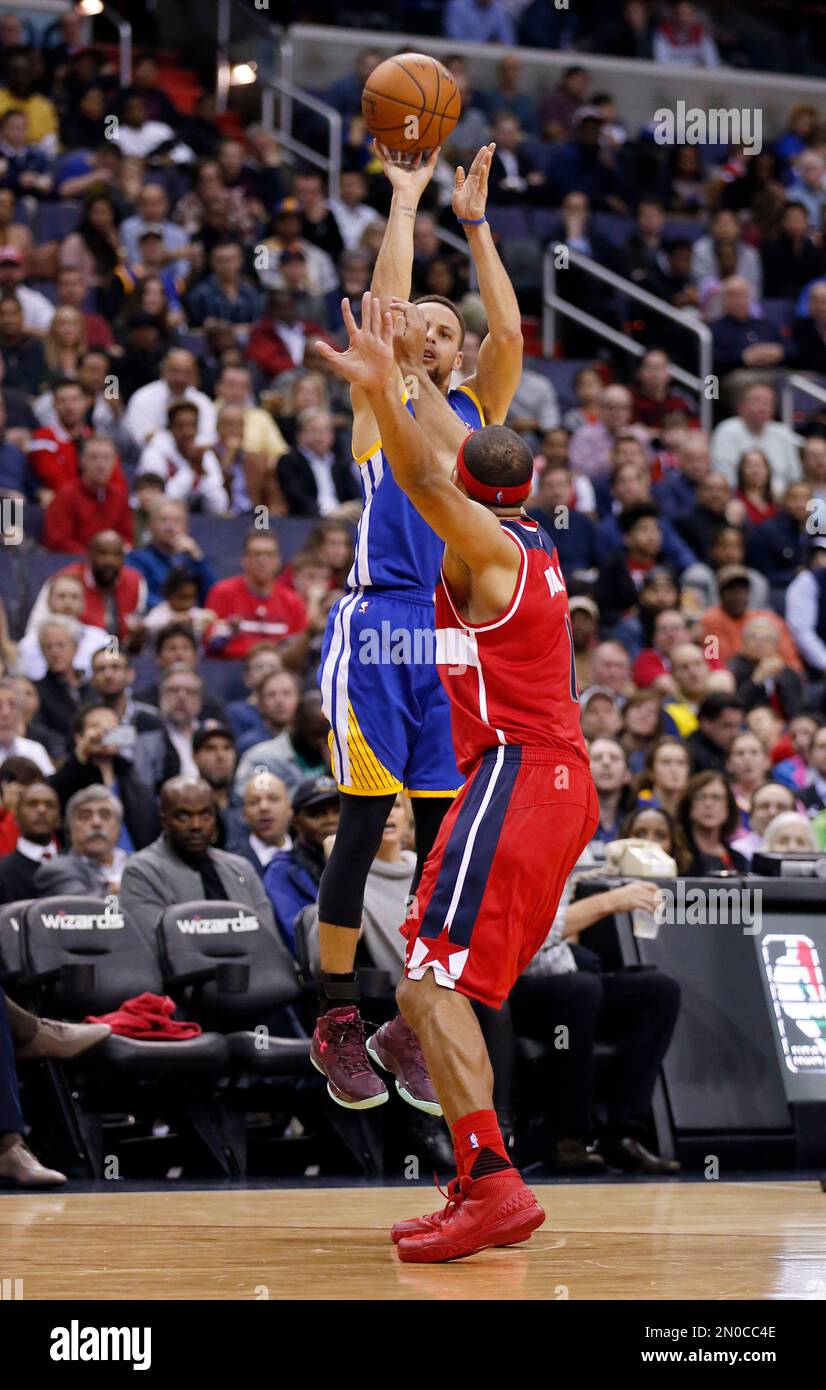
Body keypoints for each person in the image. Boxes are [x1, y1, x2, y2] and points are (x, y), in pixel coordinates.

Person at [315, 291, 598, 1262]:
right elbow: (441, 437)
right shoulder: (532, 540)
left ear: (470, 482)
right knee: (437, 984)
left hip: (518, 775)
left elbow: (417, 466)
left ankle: (492, 1182)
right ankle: (474, 1175)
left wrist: (379, 393)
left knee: (430, 983)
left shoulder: (480, 542)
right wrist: (409, 379)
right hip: (541, 782)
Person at [312, 146, 525, 1129]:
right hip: (377, 621)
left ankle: (412, 1022)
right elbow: (387, 306)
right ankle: (337, 1018)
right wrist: (404, 201)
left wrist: (476, 225)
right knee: (362, 822)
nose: (433, 333)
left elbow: (511, 325)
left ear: (462, 352)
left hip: (449, 638)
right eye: (422, 327)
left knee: (445, 844)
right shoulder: (378, 400)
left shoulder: (482, 415)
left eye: (449, 329)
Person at [120, 777, 289, 949]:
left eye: (205, 814)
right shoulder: (141, 871)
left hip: (253, 971)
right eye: (183, 816)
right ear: (163, 819)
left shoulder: (241, 869)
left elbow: (270, 943)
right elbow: (160, 946)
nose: (196, 825)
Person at [48, 702, 159, 851]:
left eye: (112, 727)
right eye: (95, 726)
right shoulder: (69, 776)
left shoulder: (132, 778)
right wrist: (81, 754)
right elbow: (54, 798)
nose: (104, 732)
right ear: (79, 738)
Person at [204, 531, 309, 665]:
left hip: (279, 673)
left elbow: (301, 650)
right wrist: (226, 632)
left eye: (269, 555)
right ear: (244, 559)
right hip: (230, 671)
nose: (262, 560)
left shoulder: (292, 601)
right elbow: (209, 643)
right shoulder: (222, 592)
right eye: (256, 554)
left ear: (278, 561)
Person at [263, 775, 340, 954]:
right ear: (296, 821)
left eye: (338, 811)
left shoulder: (367, 859)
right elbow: (298, 940)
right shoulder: (281, 870)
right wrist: (335, 867)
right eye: (317, 814)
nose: (330, 819)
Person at [41, 435, 133, 553]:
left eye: (107, 458)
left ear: (115, 462)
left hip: (111, 566)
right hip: (71, 564)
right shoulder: (66, 496)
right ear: (81, 461)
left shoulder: (120, 496)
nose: (101, 465)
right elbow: (57, 541)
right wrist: (94, 557)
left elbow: (127, 539)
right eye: (94, 458)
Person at [35, 785, 129, 895]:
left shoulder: (140, 864)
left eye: (105, 815)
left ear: (119, 829)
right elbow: (83, 907)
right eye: (85, 816)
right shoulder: (56, 871)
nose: (96, 823)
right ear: (69, 830)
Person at [128, 497, 216, 610]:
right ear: (150, 526)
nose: (169, 527)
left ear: (186, 527)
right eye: (163, 520)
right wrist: (178, 612)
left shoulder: (192, 559)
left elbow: (213, 596)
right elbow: (142, 598)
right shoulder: (137, 559)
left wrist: (198, 558)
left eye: (176, 521)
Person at [133, 664, 206, 791]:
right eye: (173, 690)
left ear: (199, 699)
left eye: (190, 691)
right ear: (161, 696)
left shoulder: (210, 735)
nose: (181, 697)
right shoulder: (148, 736)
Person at [0, 779, 61, 902]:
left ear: (59, 817)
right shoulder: (2, 872)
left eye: (49, 805)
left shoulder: (79, 866)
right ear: (16, 815)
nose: (42, 810)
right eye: (32, 804)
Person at [677, 772, 749, 875]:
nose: (708, 804)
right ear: (689, 805)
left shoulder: (739, 860)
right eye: (701, 797)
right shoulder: (676, 854)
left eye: (716, 797)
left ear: (728, 807)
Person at [193, 723, 244, 850]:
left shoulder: (246, 805)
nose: (220, 756)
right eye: (210, 748)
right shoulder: (186, 808)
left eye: (227, 748)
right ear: (194, 757)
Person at [230, 771, 292, 873]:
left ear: (290, 808)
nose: (264, 807)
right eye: (254, 802)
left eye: (273, 799)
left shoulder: (310, 856)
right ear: (244, 814)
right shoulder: (232, 865)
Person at [0, 677, 53, 774]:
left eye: (12, 705)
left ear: (20, 712)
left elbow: (49, 786)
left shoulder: (35, 749)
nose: (5, 713)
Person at [686, 693, 745, 773]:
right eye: (727, 726)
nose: (734, 733)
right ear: (705, 723)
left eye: (738, 726)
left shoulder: (735, 750)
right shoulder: (690, 755)